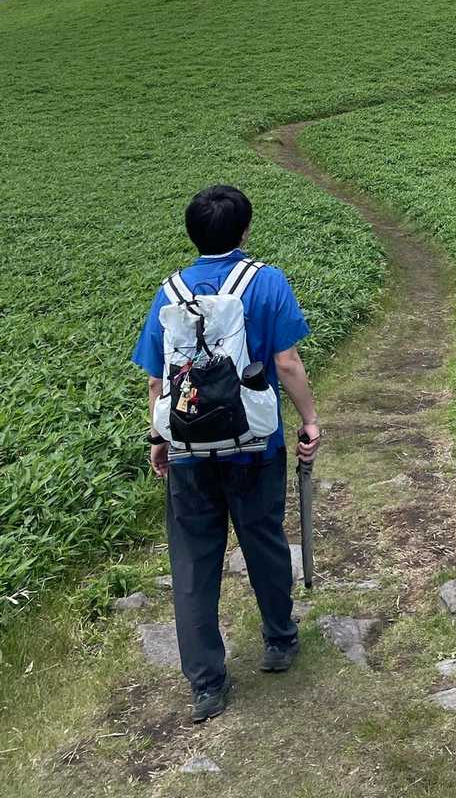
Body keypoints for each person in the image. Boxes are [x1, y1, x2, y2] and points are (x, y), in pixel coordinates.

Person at [132, 185, 321, 724]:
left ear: (193, 234)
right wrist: (309, 419)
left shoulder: (168, 293)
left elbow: (156, 381)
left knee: (192, 561)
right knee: (262, 538)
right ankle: (279, 642)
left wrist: (158, 438)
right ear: (244, 231)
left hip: (189, 447)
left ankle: (207, 684)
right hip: (255, 443)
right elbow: (285, 362)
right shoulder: (267, 282)